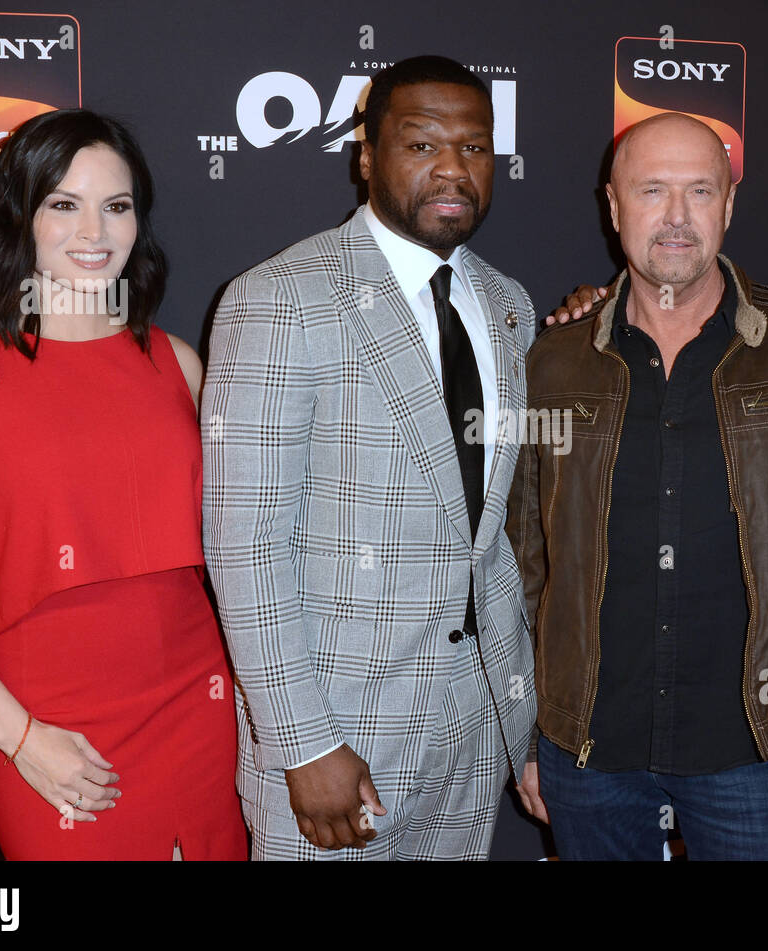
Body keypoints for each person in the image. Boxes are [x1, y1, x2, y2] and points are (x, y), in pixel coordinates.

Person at [506, 112, 768, 860]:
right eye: (652, 190)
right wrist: (526, 728)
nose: (677, 217)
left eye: (700, 191)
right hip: (586, 749)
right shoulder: (553, 362)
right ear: (613, 205)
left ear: (730, 205)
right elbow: (523, 568)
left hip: (753, 746)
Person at [0, 109, 246, 859]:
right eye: (64, 204)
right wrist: (18, 736)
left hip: (201, 712)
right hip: (46, 721)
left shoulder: (177, 362)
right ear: (20, 214)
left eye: (117, 206)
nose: (96, 232)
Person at [202, 55, 537, 860]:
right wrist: (304, 743)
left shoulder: (510, 305)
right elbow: (244, 546)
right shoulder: (280, 298)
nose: (453, 167)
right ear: (365, 155)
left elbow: (489, 535)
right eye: (422, 145)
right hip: (337, 739)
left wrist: (517, 713)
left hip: (475, 726)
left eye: (475, 147)